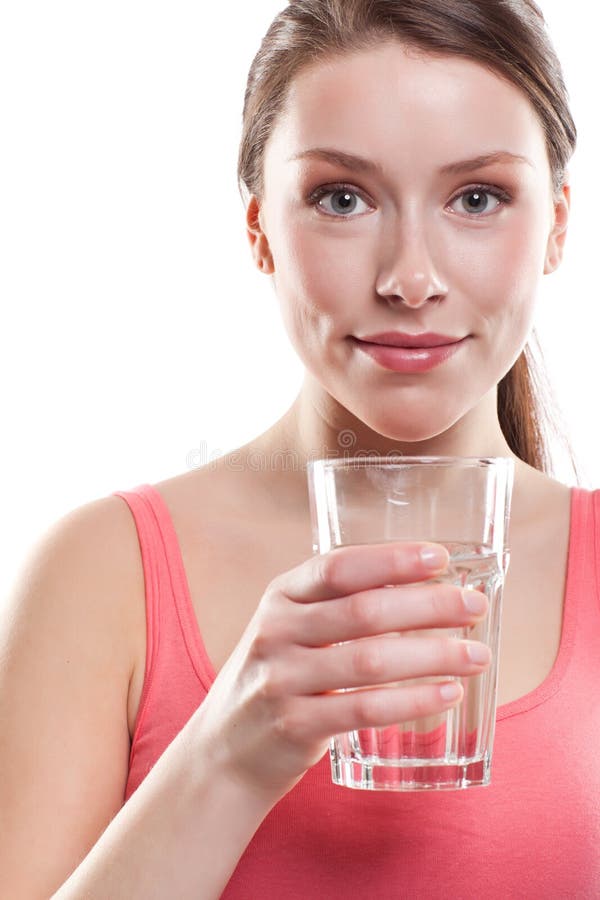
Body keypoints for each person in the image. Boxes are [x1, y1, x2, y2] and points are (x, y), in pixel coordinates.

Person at [2, 0, 598, 896]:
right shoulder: (101, 572)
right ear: (259, 232)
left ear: (556, 225)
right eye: (341, 198)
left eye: (477, 198)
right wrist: (228, 757)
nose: (411, 280)